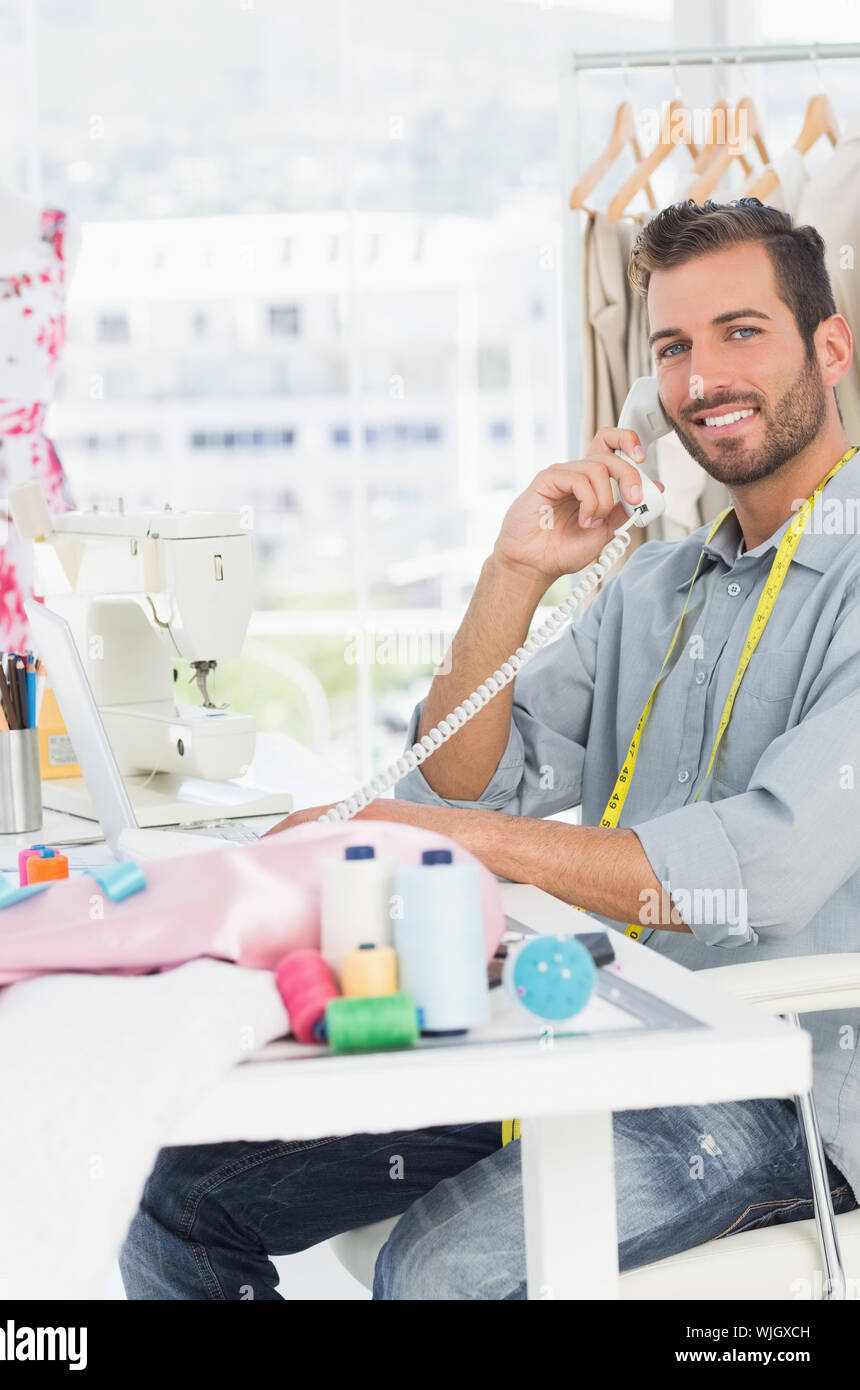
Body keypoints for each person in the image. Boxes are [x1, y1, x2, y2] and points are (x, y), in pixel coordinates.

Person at [120, 199, 860, 1300]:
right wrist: (517, 573)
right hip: (597, 1030)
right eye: (672, 347)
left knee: (440, 1269)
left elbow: (769, 867)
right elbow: (465, 770)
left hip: (780, 1083)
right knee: (176, 1199)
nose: (703, 377)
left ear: (831, 348)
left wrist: (453, 837)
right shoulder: (655, 589)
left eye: (740, 332)